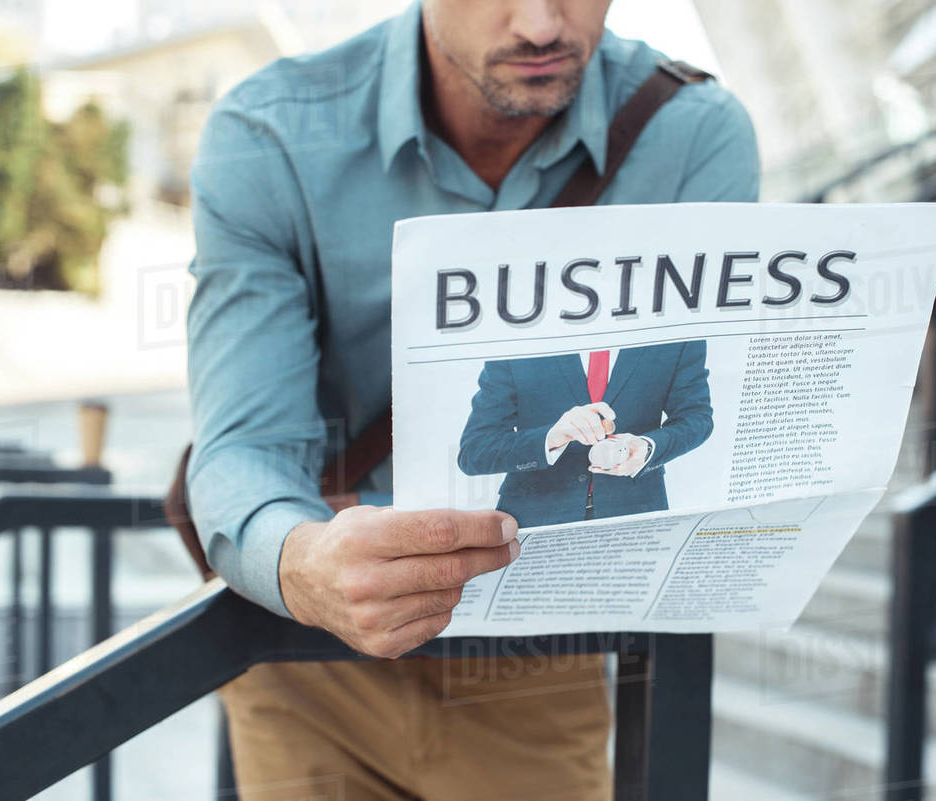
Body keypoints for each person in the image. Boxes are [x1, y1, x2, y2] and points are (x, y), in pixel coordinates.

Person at [185, 0, 759, 798]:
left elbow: (700, 402)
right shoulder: (271, 135)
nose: (539, 25)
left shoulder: (694, 133)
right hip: (307, 659)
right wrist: (303, 562)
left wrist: (655, 451)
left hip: (536, 659)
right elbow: (242, 443)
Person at [458, 343, 713, 526]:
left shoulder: (676, 334)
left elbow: (696, 418)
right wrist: (552, 438)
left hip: (636, 513)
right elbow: (475, 451)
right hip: (535, 517)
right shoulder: (518, 339)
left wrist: (647, 448)